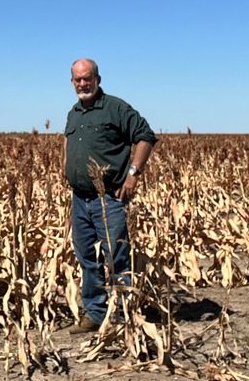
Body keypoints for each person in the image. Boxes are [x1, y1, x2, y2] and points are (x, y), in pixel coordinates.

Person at [63, 58, 157, 333]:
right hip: (80, 198)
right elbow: (68, 140)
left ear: (98, 79)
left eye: (87, 78)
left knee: (116, 256)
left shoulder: (115, 108)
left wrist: (133, 173)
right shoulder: (74, 113)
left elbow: (145, 136)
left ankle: (123, 316)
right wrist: (66, 164)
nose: (83, 84)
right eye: (78, 79)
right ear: (72, 82)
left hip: (109, 199)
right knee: (86, 258)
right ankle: (95, 313)